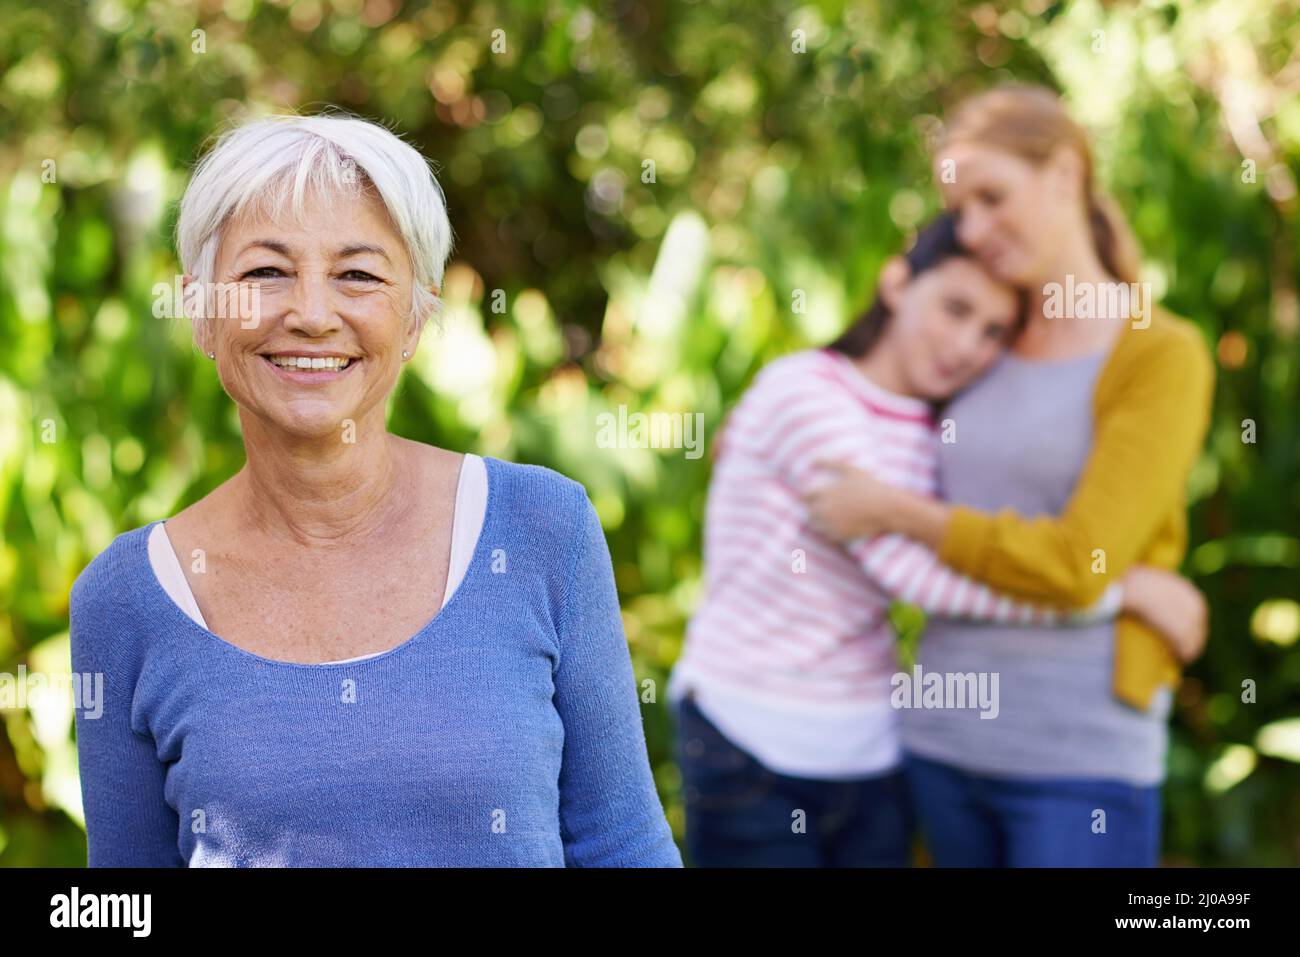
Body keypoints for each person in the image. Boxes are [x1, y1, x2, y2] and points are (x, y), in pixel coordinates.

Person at [69, 110, 681, 867]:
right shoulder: (125, 597)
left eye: (358, 274)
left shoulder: (543, 529)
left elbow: (624, 844)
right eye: (265, 272)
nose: (312, 314)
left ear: (417, 313)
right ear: (199, 306)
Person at [669, 212, 1203, 867]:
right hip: (751, 734)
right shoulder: (808, 395)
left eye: (992, 332)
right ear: (896, 283)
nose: (966, 346)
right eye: (954, 308)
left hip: (870, 744)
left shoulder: (935, 421)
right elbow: (915, 577)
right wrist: (1118, 593)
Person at [805, 85, 1215, 867]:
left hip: (1078, 764)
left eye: (993, 197)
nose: (973, 230)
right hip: (940, 747)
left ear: (1064, 175)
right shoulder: (977, 336)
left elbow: (1074, 562)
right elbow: (861, 402)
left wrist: (898, 511)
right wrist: (768, 420)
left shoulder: (1158, 356)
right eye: (959, 209)